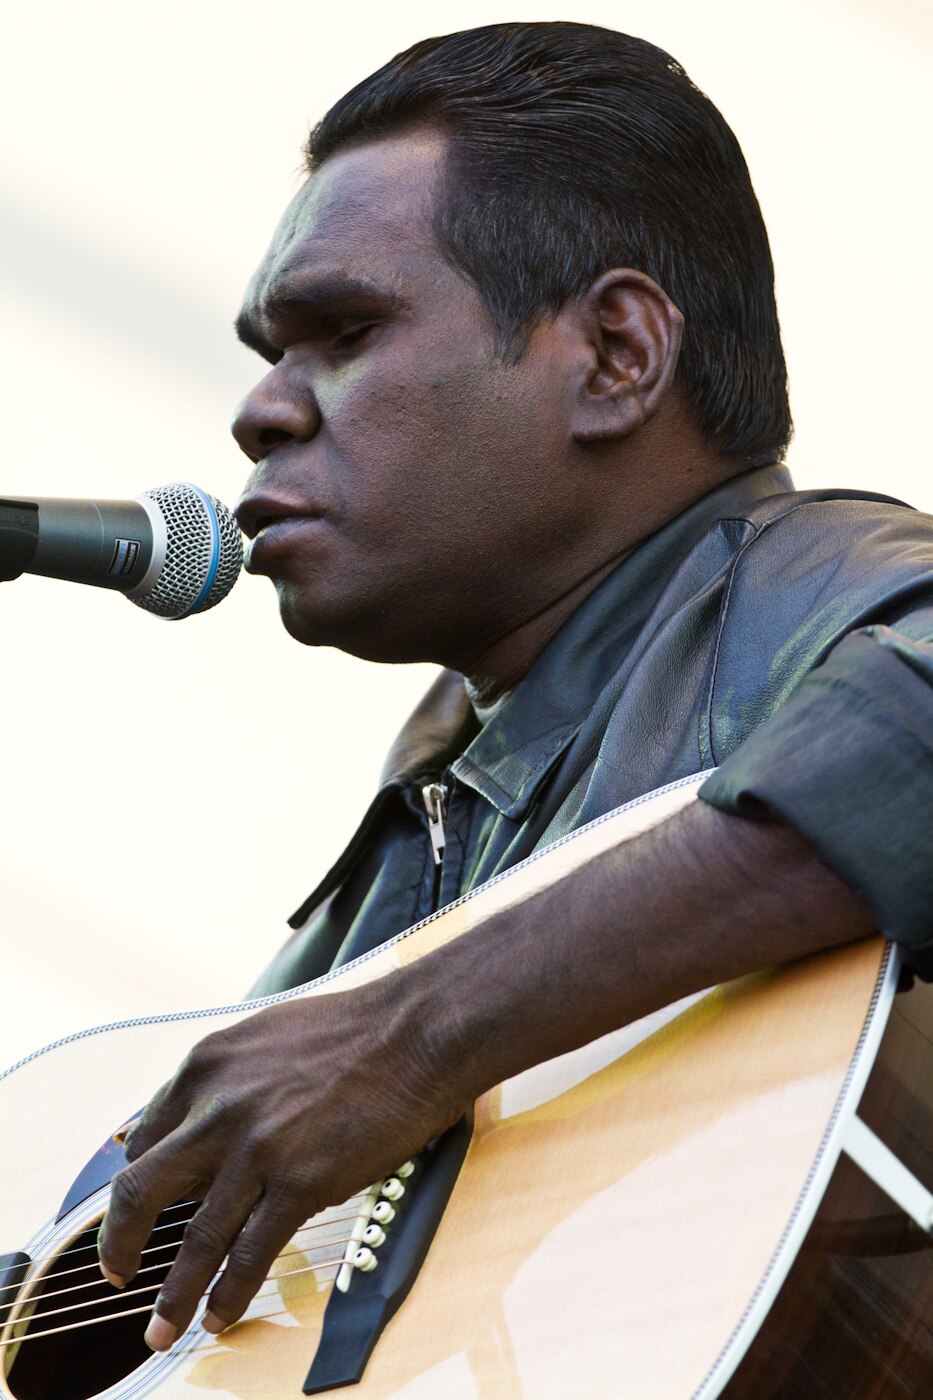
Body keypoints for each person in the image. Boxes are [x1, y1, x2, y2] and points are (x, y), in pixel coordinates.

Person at [96, 21, 933, 1353]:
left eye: (343, 332)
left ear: (614, 353)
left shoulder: (823, 590)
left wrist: (414, 1034)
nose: (260, 408)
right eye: (268, 350)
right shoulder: (441, 783)